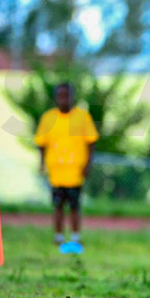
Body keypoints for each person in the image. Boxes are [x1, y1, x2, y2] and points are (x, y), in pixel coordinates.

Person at [34, 82, 99, 254]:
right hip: (56, 172)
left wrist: (88, 164)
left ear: (72, 97)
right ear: (56, 97)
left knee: (75, 206)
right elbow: (41, 143)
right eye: (60, 96)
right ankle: (58, 236)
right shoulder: (48, 118)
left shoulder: (82, 117)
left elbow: (92, 142)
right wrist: (41, 163)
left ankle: (76, 237)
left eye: (67, 95)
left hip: (75, 172)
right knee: (57, 205)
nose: (64, 99)